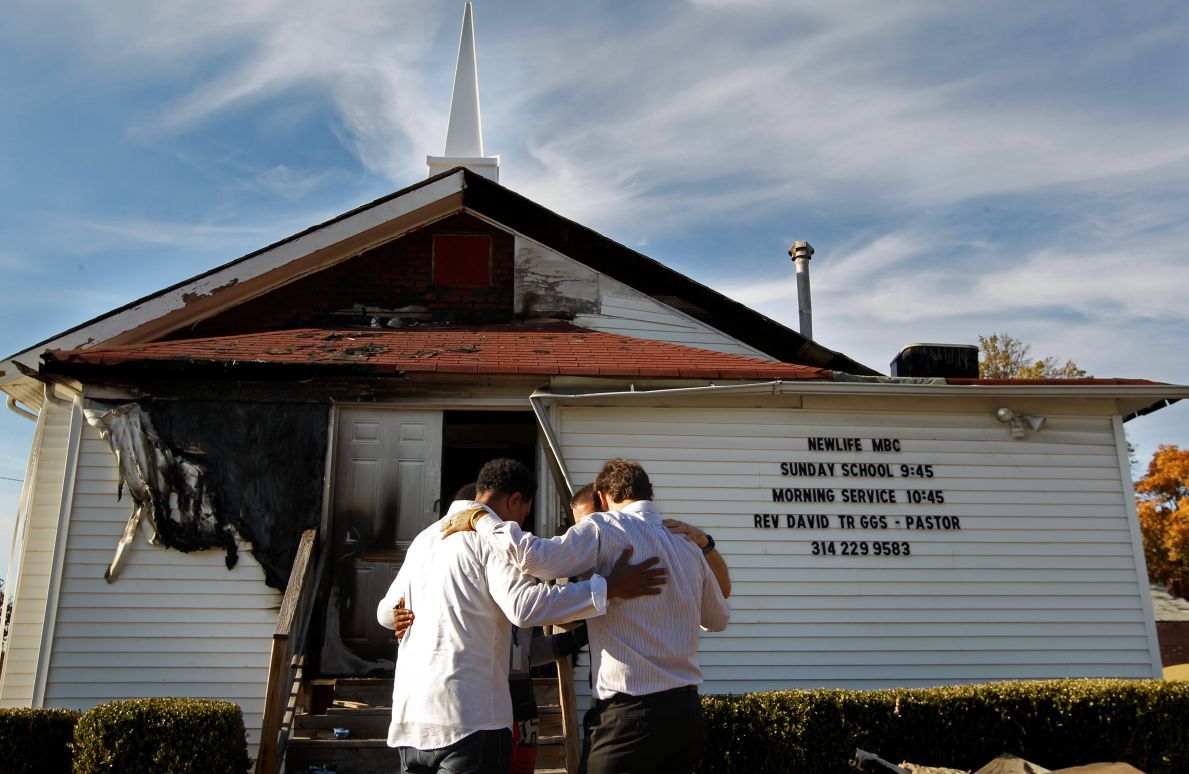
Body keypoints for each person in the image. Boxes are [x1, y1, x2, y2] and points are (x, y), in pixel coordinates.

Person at [377, 458, 665, 774]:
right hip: (470, 721)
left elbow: (386, 612)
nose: (522, 523)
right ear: (515, 500)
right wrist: (608, 587)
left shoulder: (426, 539)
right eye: (524, 511)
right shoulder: (490, 538)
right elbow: (525, 606)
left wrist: (403, 617)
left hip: (411, 720)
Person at [445, 458, 730, 774]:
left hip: (631, 717)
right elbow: (718, 619)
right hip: (686, 717)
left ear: (604, 497)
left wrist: (480, 519)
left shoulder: (605, 527)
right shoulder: (688, 545)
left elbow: (536, 558)